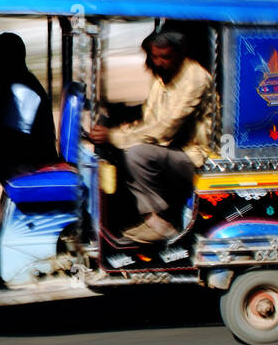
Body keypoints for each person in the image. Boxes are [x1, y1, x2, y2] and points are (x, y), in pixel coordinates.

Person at [89, 27, 211, 244]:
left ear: (180, 55)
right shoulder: (162, 77)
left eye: (165, 57)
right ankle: (128, 218)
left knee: (138, 154)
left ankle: (159, 222)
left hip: (194, 155)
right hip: (172, 150)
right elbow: (149, 117)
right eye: (154, 57)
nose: (158, 62)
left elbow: (164, 128)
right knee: (118, 154)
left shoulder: (195, 78)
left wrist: (115, 136)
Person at [0, 32, 58, 287]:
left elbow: (15, 136)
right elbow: (1, 135)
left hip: (31, 160)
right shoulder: (11, 83)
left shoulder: (20, 88)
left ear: (12, 57)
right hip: (18, 152)